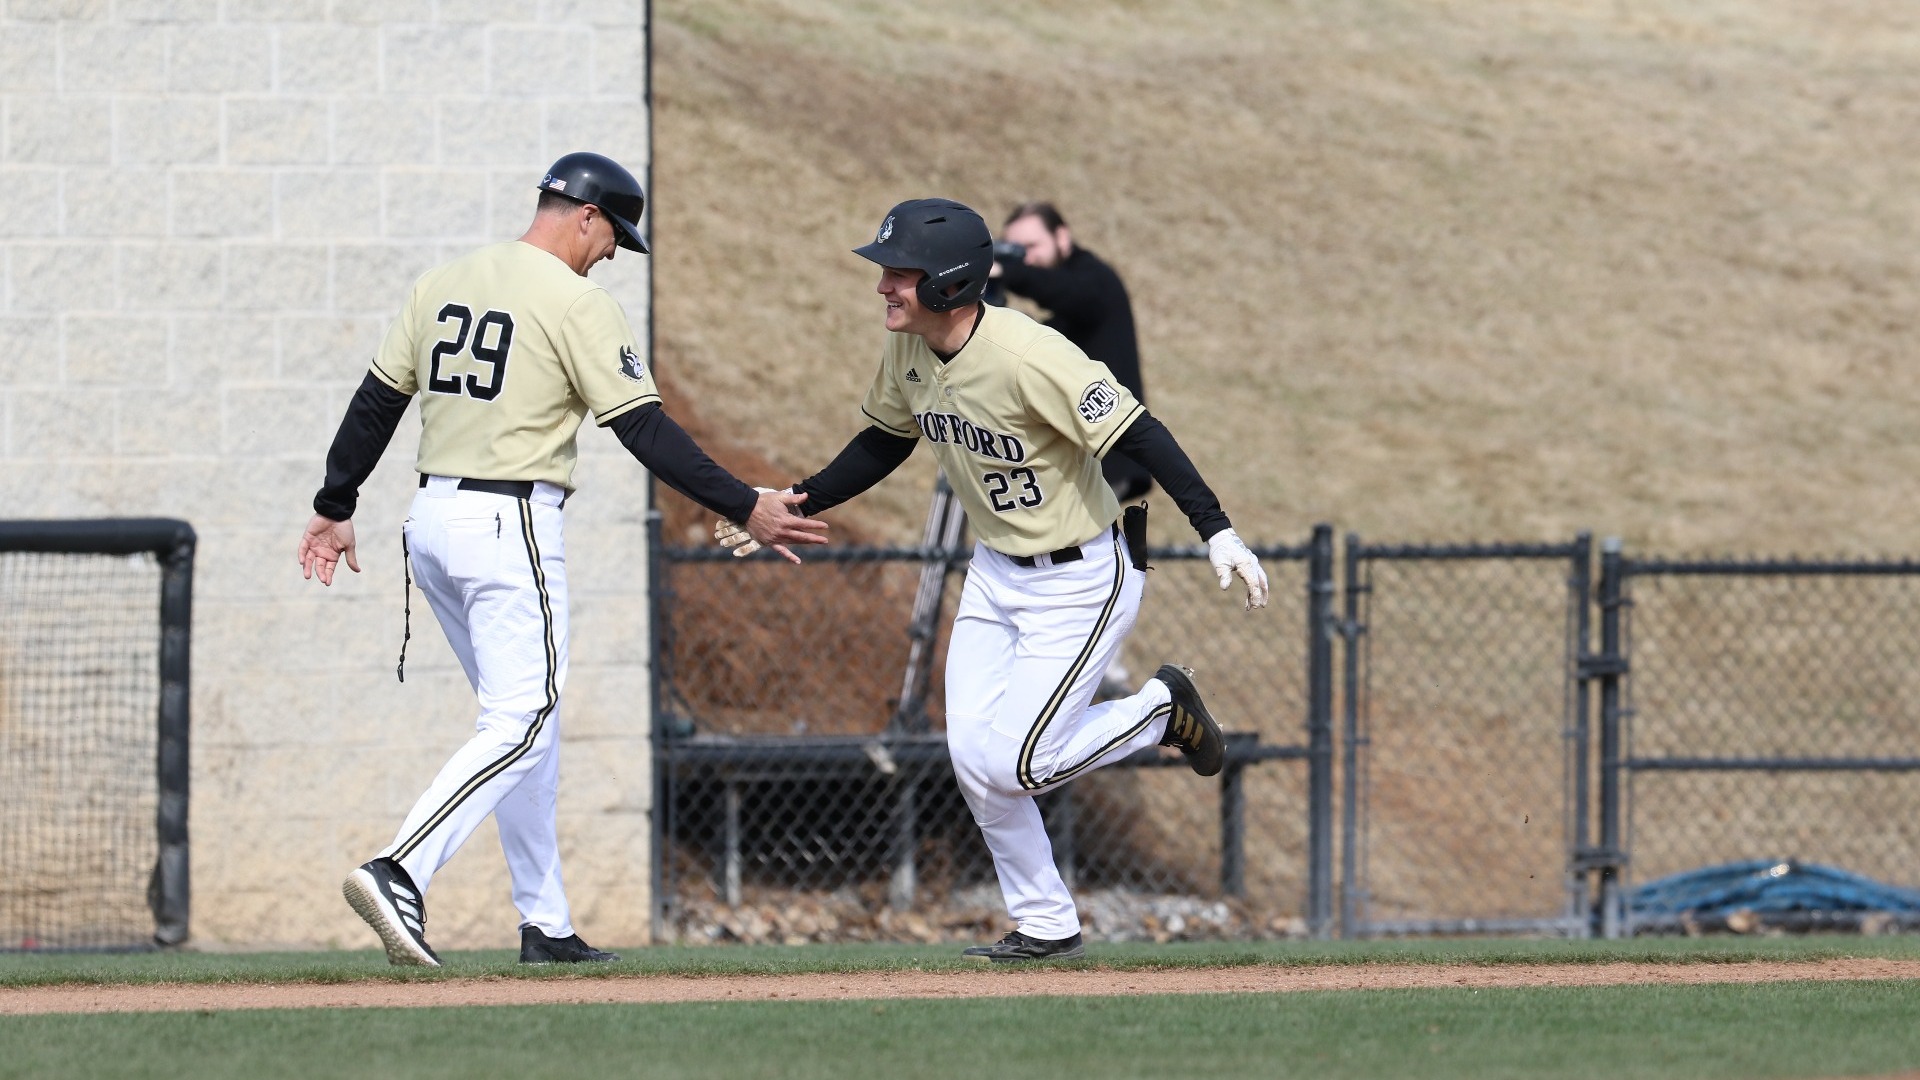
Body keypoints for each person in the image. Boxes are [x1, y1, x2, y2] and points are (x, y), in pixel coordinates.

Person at [295, 152, 827, 967]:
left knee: (520, 729)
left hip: (431, 521)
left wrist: (335, 505)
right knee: (524, 716)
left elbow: (377, 401)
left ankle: (546, 923)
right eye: (615, 233)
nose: (614, 251)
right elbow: (644, 429)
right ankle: (398, 868)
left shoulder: (445, 278)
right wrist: (743, 504)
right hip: (510, 520)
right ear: (583, 214)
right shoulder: (578, 302)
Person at [715, 199, 1269, 962]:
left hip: (1082, 577)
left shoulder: (1030, 355)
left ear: (947, 282)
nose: (883, 287)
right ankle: (1046, 920)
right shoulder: (911, 353)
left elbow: (1141, 430)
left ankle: (1155, 711)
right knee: (976, 761)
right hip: (997, 573)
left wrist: (1218, 530)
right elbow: (882, 441)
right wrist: (792, 502)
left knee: (1023, 762)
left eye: (898, 274)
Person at [990, 202, 1151, 503]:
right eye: (1015, 250)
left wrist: (1008, 271)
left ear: (1062, 238)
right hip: (1080, 457)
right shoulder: (1065, 304)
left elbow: (1066, 292)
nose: (1026, 257)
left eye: (1031, 246)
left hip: (1106, 452)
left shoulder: (1095, 279)